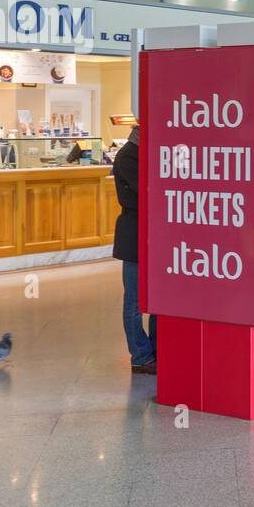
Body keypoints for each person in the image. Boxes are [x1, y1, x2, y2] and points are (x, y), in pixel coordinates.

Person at [112, 126, 157, 374]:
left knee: (158, 298)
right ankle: (140, 355)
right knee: (134, 301)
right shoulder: (129, 155)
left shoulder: (148, 152)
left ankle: (156, 350)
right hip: (133, 236)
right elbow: (149, 190)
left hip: (151, 235)